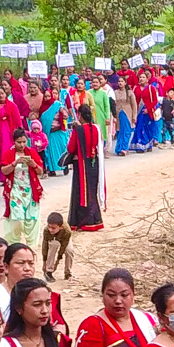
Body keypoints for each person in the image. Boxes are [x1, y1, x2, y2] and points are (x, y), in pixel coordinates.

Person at [63, 103, 105, 233]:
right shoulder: (97, 128)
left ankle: (82, 222)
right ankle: (95, 221)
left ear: (80, 115)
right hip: (94, 164)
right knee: (91, 191)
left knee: (80, 192)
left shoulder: (79, 130)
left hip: (81, 165)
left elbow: (70, 148)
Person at [3, 155, 42, 249]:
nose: (22, 144)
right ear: (14, 142)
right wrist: (15, 163)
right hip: (16, 191)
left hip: (31, 192)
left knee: (32, 219)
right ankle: (14, 245)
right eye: (19, 142)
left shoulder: (32, 153)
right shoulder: (9, 154)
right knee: (17, 218)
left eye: (24, 142)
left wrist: (34, 165)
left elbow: (40, 172)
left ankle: (32, 247)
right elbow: (4, 171)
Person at [41, 212, 73, 282]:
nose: (50, 230)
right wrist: (44, 262)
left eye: (53, 228)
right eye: (49, 227)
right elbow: (45, 246)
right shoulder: (46, 230)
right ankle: (48, 272)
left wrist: (57, 261)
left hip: (64, 239)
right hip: (54, 240)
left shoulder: (67, 231)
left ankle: (68, 273)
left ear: (61, 227)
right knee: (53, 245)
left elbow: (63, 246)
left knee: (69, 251)